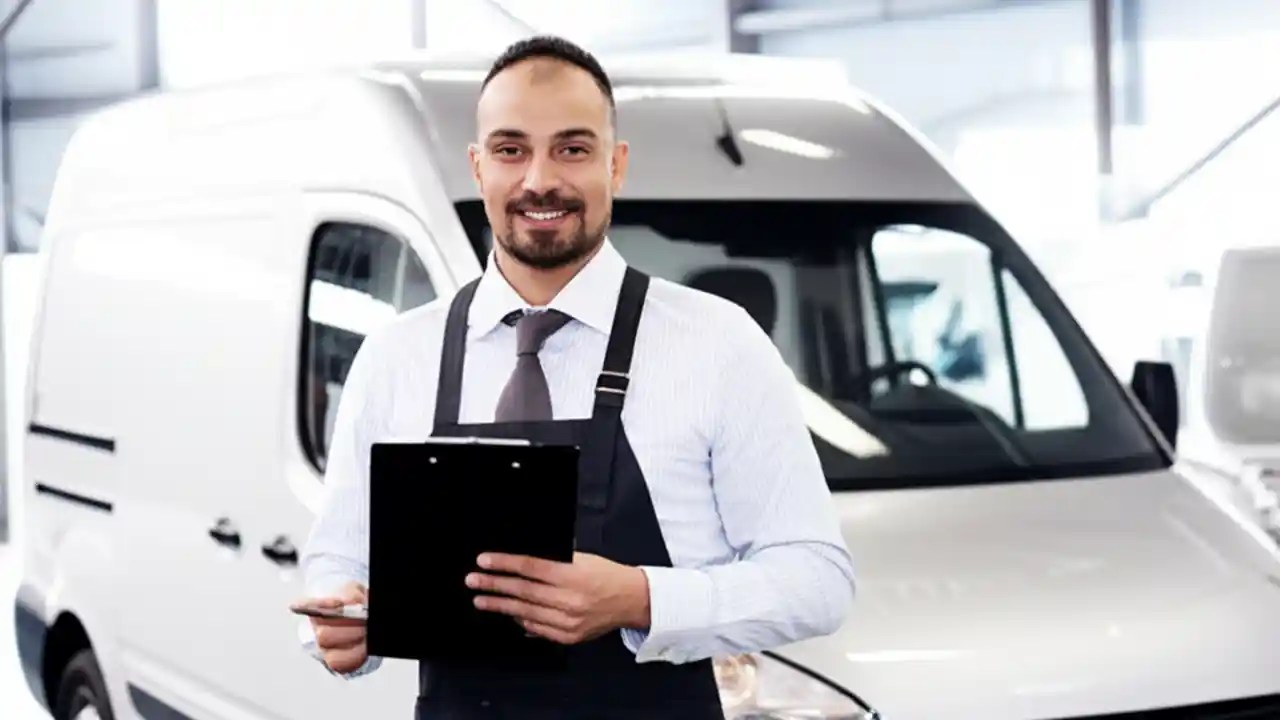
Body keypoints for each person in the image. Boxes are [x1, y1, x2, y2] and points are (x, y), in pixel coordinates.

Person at [295, 34, 856, 719]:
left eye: (572, 148)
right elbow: (339, 562)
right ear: (477, 168)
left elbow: (818, 581)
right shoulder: (394, 356)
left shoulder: (719, 345)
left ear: (615, 166)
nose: (539, 180)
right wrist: (341, 623)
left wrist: (641, 599)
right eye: (510, 150)